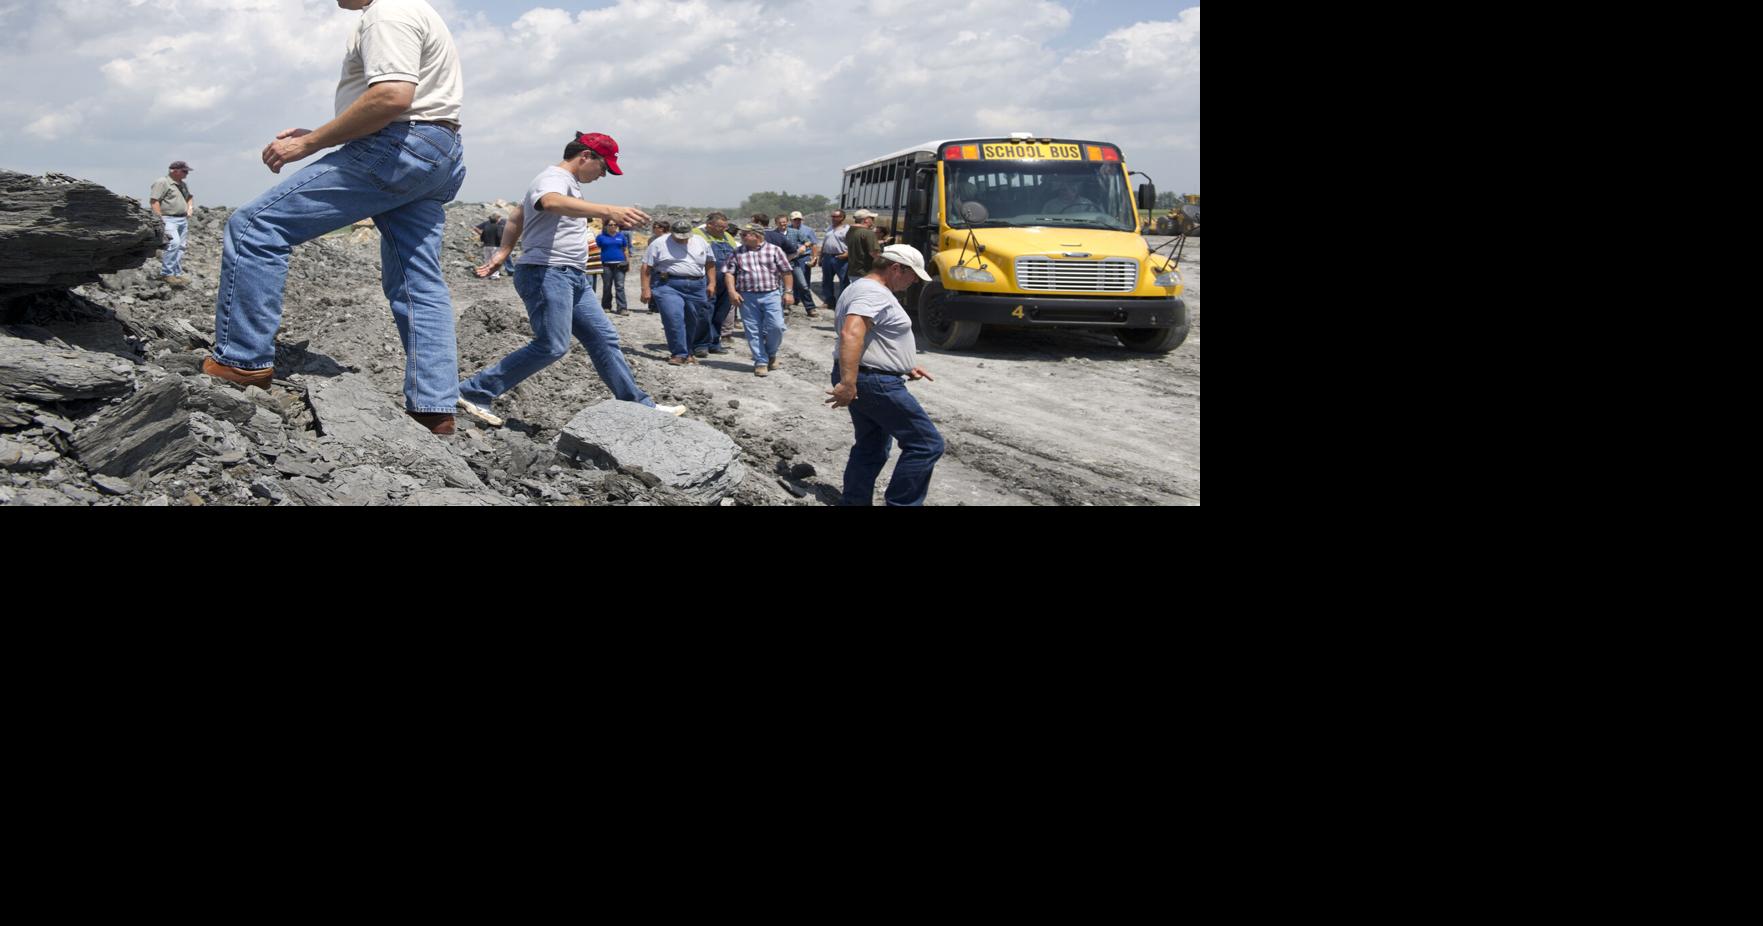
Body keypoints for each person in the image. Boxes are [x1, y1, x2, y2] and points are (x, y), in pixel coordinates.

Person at [203, 0, 468, 435]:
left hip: (400, 145)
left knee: (255, 227)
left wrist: (309, 145)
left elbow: (392, 96)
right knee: (418, 280)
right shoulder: (414, 10)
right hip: (437, 150)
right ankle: (433, 407)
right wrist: (324, 135)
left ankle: (242, 362)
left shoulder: (387, 13)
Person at [461, 132, 683, 424]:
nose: (603, 175)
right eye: (603, 168)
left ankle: (637, 405)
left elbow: (517, 216)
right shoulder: (554, 179)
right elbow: (550, 203)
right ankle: (474, 392)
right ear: (586, 156)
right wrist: (608, 209)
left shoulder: (567, 185)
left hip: (570, 275)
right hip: (548, 272)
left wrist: (504, 252)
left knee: (604, 339)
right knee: (552, 345)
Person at [826, 244, 942, 506]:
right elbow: (852, 333)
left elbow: (873, 334)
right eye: (912, 275)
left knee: (872, 447)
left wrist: (902, 363)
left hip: (870, 377)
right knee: (926, 444)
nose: (914, 282)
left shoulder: (861, 288)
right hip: (874, 381)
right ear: (895, 268)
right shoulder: (873, 292)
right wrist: (847, 383)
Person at [641, 220, 717, 365]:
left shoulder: (701, 241)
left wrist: (712, 283)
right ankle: (678, 353)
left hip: (697, 285)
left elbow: (710, 263)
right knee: (673, 317)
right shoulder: (659, 243)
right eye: (678, 236)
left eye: (685, 236)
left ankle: (688, 351)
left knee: (693, 319)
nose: (682, 239)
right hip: (668, 285)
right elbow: (646, 267)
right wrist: (645, 289)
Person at [724, 224, 794, 377]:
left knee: (777, 326)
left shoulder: (774, 250)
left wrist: (788, 292)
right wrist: (732, 291)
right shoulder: (737, 252)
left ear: (757, 236)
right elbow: (729, 273)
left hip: (771, 294)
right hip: (747, 296)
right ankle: (760, 361)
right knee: (753, 330)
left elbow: (786, 272)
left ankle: (771, 353)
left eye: (745, 234)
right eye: (741, 234)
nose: (741, 237)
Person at [691, 212, 739, 353]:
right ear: (709, 225)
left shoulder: (727, 236)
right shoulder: (696, 234)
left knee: (721, 313)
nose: (723, 230)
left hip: (727, 279)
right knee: (705, 312)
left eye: (725, 227)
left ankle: (714, 342)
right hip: (707, 278)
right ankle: (700, 344)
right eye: (720, 227)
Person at [150, 161, 195, 286]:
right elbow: (154, 201)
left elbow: (189, 197)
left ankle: (176, 274)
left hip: (182, 219)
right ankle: (167, 273)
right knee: (173, 244)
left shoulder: (182, 184)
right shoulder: (162, 182)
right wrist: (159, 219)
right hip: (168, 219)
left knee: (181, 246)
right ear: (174, 171)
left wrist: (190, 208)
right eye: (184, 171)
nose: (186, 174)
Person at [783, 211, 818, 315]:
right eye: (795, 220)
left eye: (799, 219)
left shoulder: (807, 230)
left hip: (803, 257)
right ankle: (788, 304)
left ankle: (810, 307)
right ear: (791, 220)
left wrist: (814, 258)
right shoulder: (786, 230)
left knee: (804, 284)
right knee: (785, 284)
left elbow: (813, 244)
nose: (797, 221)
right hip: (787, 259)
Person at [596, 219, 634, 315]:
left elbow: (625, 250)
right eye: (610, 225)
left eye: (615, 224)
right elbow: (596, 251)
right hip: (606, 265)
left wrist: (628, 263)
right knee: (607, 286)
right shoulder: (600, 237)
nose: (613, 226)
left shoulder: (621, 236)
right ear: (606, 226)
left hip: (620, 265)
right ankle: (606, 306)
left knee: (620, 286)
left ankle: (622, 308)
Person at [815, 208, 850, 308]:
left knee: (843, 281)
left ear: (842, 218)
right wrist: (820, 257)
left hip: (841, 257)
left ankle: (842, 303)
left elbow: (852, 245)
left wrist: (847, 254)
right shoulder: (829, 228)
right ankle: (829, 301)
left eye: (836, 216)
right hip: (827, 256)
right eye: (832, 216)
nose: (833, 218)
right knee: (827, 280)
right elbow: (824, 243)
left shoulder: (847, 229)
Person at [640, 218, 670, 313]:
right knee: (652, 285)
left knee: (665, 285)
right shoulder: (652, 239)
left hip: (665, 266)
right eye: (653, 227)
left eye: (656, 227)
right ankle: (652, 306)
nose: (654, 229)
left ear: (663, 228)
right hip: (653, 265)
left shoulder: (670, 239)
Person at [845, 209, 881, 278]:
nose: (873, 221)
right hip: (866, 273)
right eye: (872, 218)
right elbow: (874, 253)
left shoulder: (849, 232)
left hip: (853, 272)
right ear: (866, 220)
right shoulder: (868, 233)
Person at [476, 213, 507, 278]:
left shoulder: (486, 227)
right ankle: (494, 275)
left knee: (487, 260)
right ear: (497, 219)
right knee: (495, 260)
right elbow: (499, 236)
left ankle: (487, 274)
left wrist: (484, 242)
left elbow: (482, 236)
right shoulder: (498, 227)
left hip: (486, 245)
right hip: (495, 245)